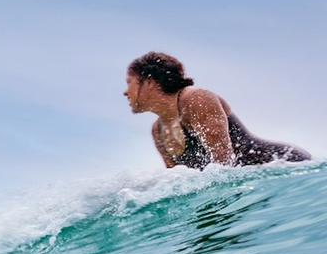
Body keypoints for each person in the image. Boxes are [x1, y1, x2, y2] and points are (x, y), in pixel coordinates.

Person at [124, 52, 310, 169]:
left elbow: (224, 164)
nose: (125, 92)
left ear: (149, 82)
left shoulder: (195, 99)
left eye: (129, 83)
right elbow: (180, 182)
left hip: (288, 168)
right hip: (252, 189)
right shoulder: (158, 132)